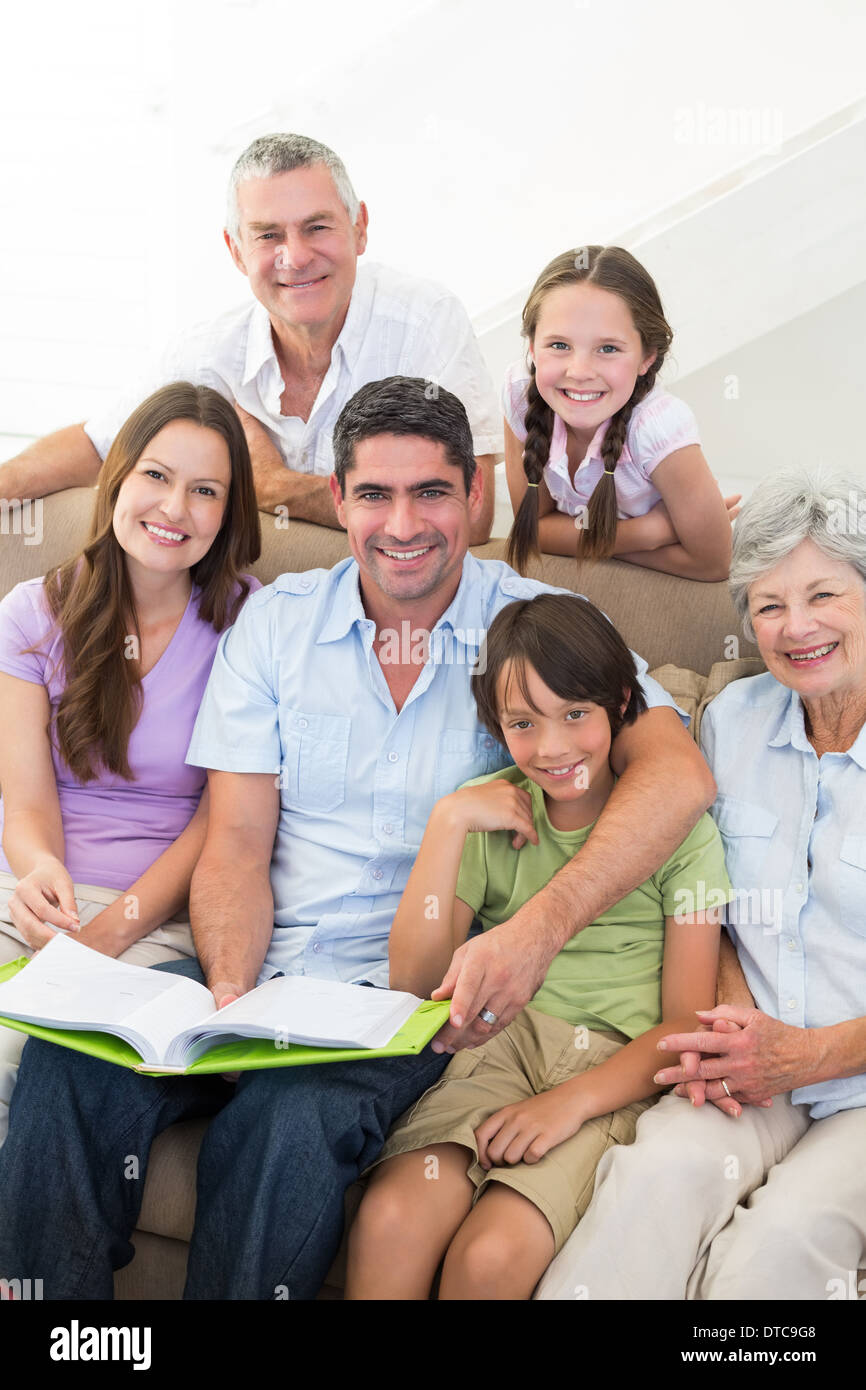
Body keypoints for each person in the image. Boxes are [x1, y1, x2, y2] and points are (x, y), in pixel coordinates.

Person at [0, 376, 713, 1301]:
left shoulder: (536, 628)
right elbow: (236, 848)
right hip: (258, 976)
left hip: (408, 1002)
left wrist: (540, 925)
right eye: (375, 494)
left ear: (475, 498)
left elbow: (679, 776)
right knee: (68, 1067)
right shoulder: (276, 625)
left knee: (287, 1120)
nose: (402, 523)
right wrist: (226, 992)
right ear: (338, 499)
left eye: (431, 493)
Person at [536, 465, 866, 1301]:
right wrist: (734, 1029)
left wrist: (812, 1055)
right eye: (769, 604)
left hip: (858, 1079)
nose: (797, 628)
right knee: (651, 1183)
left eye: (825, 596)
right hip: (752, 1064)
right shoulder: (730, 724)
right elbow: (704, 898)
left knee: (781, 1245)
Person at [345, 593, 729, 1299]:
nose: (552, 748)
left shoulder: (681, 833)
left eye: (575, 715)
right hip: (498, 1052)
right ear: (498, 727)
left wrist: (571, 1103)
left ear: (621, 704)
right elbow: (414, 980)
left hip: (615, 1069)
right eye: (523, 723)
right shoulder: (490, 807)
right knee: (392, 1218)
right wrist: (449, 820)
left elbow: (684, 1026)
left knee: (489, 1258)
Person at [0, 133, 500, 544]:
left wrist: (272, 485)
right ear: (236, 251)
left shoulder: (425, 324)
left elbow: (468, 515)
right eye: (268, 235)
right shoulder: (206, 355)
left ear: (359, 228)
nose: (296, 256)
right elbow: (95, 446)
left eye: (317, 227)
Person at [0, 381, 261, 1145]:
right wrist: (38, 871)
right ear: (116, 476)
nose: (174, 508)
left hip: (156, 917)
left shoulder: (249, 626)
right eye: (155, 475)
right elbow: (25, 795)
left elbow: (222, 821)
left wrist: (110, 931)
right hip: (31, 895)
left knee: (16, 1059)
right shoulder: (30, 611)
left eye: (204, 490)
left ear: (228, 511)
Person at [504, 245, 739, 581]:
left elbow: (714, 564)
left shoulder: (657, 427)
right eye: (559, 345)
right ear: (532, 348)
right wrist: (650, 533)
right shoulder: (519, 393)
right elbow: (534, 529)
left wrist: (586, 542)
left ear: (646, 357)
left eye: (608, 348)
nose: (580, 371)